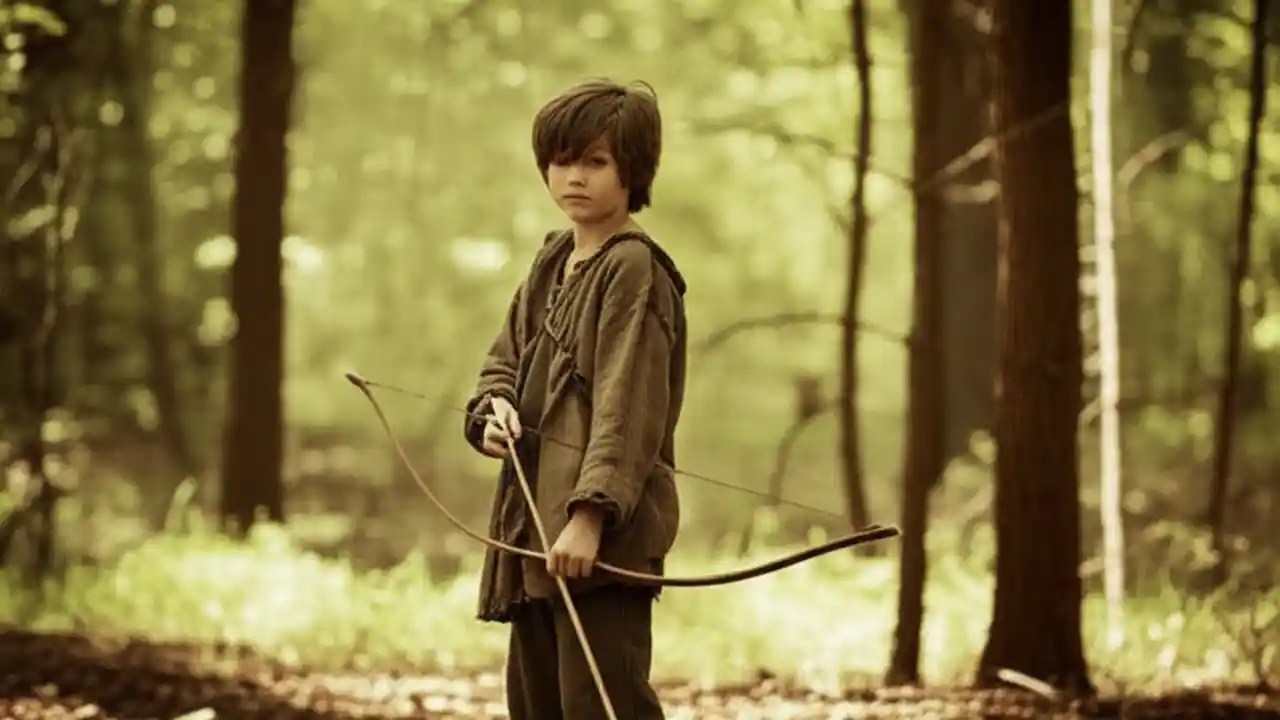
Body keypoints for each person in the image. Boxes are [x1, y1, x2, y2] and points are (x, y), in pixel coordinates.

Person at [462, 78, 687, 719]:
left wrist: (590, 517)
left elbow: (628, 406)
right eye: (561, 161)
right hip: (535, 531)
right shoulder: (553, 260)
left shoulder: (634, 267)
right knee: (537, 706)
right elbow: (503, 361)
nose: (574, 177)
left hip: (600, 542)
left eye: (595, 161)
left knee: (602, 705)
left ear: (631, 169)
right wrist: (492, 411)